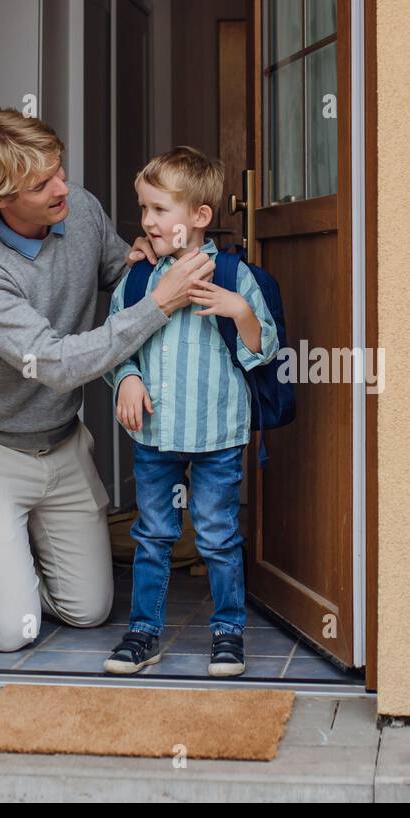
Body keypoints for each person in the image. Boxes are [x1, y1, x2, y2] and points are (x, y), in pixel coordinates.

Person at [0, 109, 214, 653]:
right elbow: (55, 361)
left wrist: (146, 265)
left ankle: (5, 568)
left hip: (63, 442)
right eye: (41, 184)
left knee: (88, 611)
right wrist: (160, 303)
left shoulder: (81, 208)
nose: (63, 187)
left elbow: (117, 275)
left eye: (59, 169)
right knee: (9, 633)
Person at [100, 146, 279, 677]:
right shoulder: (139, 279)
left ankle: (228, 632)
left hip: (218, 433)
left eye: (160, 210)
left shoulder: (235, 275)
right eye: (145, 209)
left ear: (199, 217)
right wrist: (126, 378)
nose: (147, 221)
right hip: (154, 434)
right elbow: (117, 343)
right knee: (153, 534)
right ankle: (144, 632)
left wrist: (240, 311)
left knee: (217, 534)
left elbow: (262, 348)